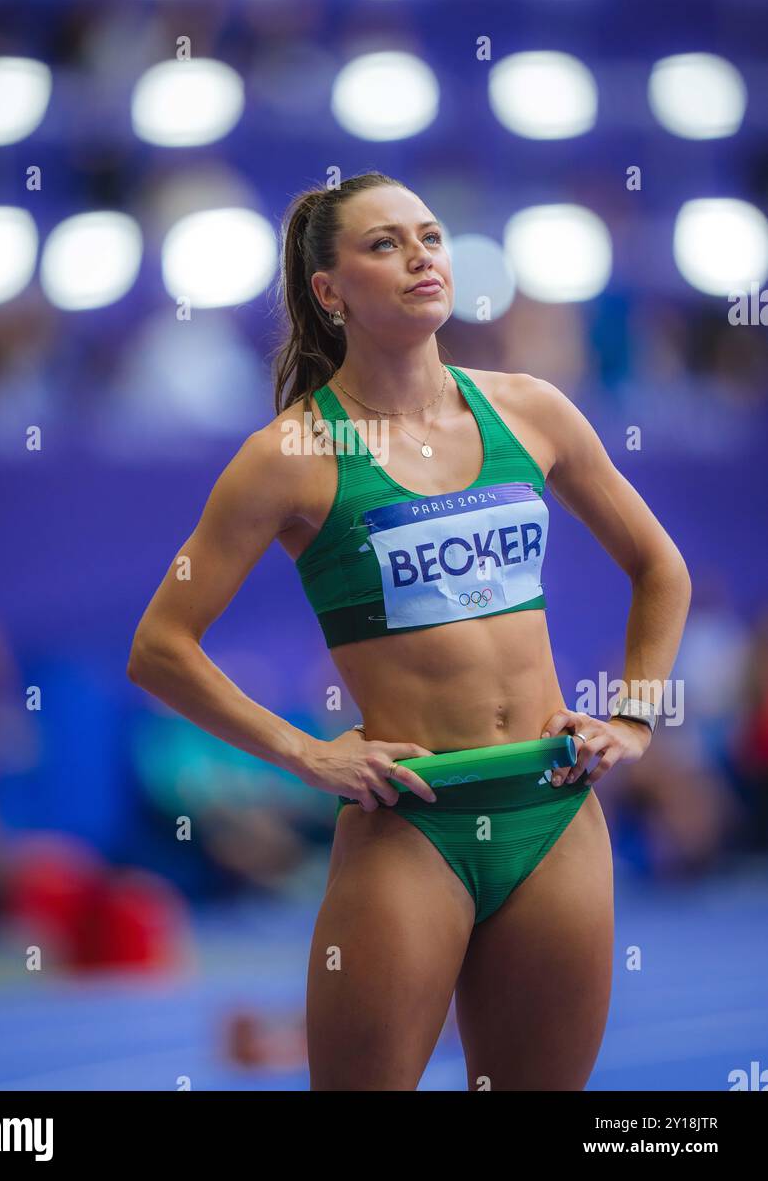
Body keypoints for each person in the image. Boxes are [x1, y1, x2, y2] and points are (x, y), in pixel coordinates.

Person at [127, 171, 691, 1091]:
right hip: (413, 829)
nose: (421, 256)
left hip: (554, 814)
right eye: (384, 244)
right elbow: (159, 646)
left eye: (429, 237)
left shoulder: (530, 409)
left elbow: (661, 568)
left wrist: (633, 716)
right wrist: (308, 756)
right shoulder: (290, 457)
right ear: (330, 291)